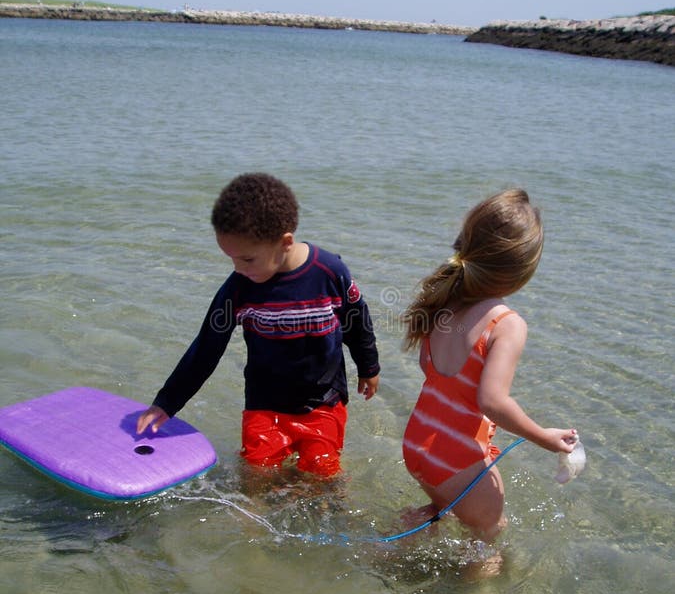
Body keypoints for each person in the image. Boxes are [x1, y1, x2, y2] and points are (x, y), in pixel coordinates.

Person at [137, 173, 380, 477]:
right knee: (256, 476)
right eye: (232, 260)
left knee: (323, 475)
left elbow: (357, 319)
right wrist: (167, 403)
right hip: (264, 405)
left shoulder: (329, 272)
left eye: (247, 260)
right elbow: (206, 347)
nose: (238, 269)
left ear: (285, 243)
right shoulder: (240, 287)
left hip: (323, 403)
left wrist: (369, 367)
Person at [401, 189, 577, 540]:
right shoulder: (507, 324)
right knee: (490, 534)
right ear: (522, 271)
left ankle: (399, 541)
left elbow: (430, 366)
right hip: (456, 457)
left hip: (418, 444)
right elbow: (492, 402)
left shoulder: (445, 303)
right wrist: (546, 439)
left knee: (444, 509)